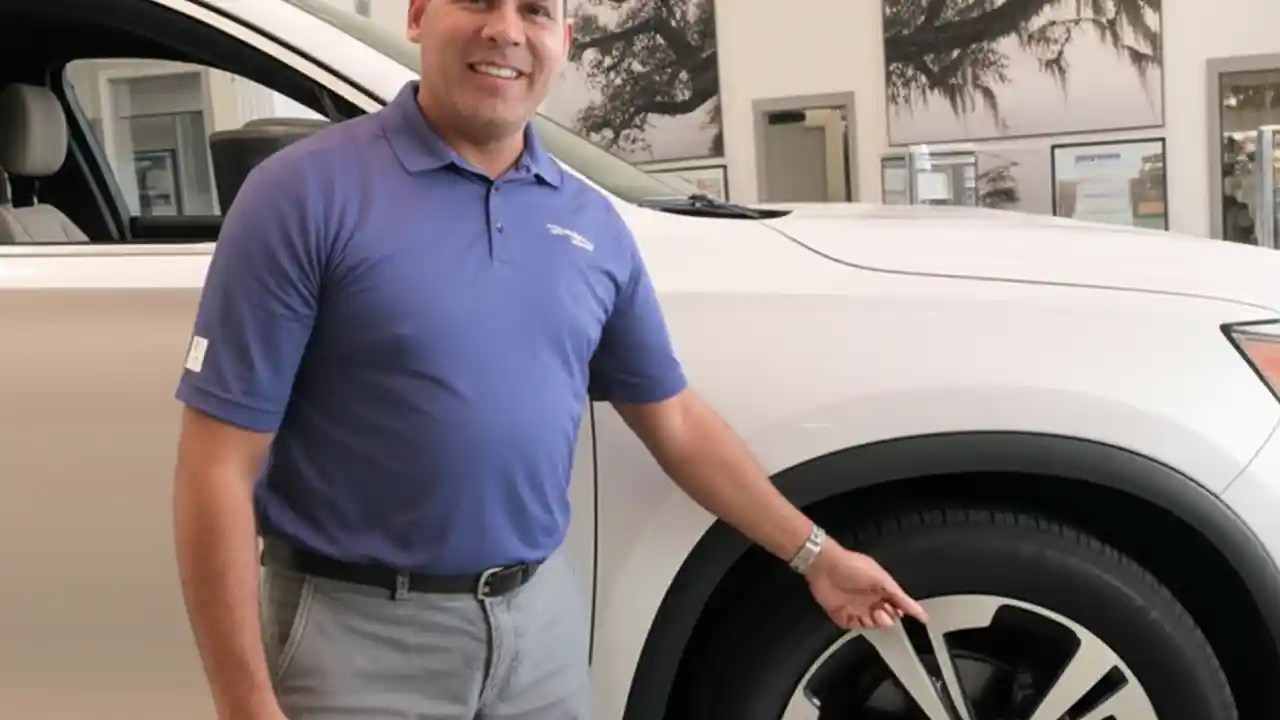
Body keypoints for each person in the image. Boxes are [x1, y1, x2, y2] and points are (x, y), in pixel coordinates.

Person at [170, 1, 928, 718]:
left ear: (565, 41)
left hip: (541, 637)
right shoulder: (302, 196)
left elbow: (677, 422)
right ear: (417, 14)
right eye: (478, 3)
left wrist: (817, 557)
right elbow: (216, 469)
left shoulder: (590, 223)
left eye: (536, 10)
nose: (506, 31)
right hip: (354, 640)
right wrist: (244, 703)